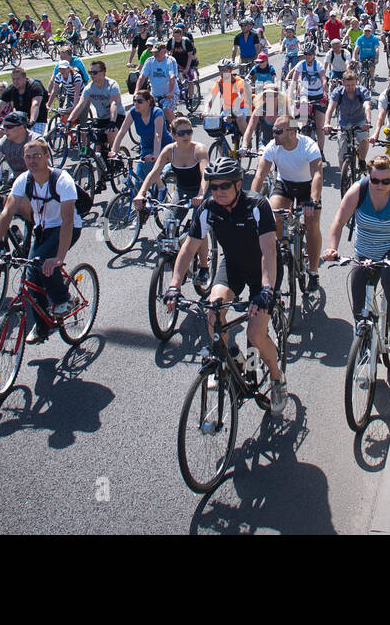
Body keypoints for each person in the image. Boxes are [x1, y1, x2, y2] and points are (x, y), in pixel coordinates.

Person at [164, 156, 286, 416]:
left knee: (255, 335)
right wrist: (174, 285)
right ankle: (235, 359)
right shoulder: (208, 207)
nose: (217, 192)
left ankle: (276, 378)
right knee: (213, 313)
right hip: (232, 266)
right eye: (213, 186)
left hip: (263, 272)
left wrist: (266, 290)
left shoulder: (257, 205)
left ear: (238, 184)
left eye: (223, 186)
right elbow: (189, 249)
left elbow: (269, 251)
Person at [0, 139, 82, 344]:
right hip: (42, 229)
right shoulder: (23, 181)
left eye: (37, 155)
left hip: (67, 227)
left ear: (47, 156)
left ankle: (64, 299)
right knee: (31, 279)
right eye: (28, 157)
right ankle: (42, 327)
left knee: (44, 263)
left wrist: (59, 258)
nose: (32, 161)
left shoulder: (62, 179)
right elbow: (6, 214)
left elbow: (67, 221)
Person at [322, 155, 390, 344]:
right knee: (359, 303)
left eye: (385, 181)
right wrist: (331, 249)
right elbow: (339, 221)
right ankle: (364, 342)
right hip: (365, 251)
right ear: (368, 176)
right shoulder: (359, 190)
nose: (379, 185)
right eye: (374, 180)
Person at [134, 117, 212, 287]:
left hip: (202, 192)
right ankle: (178, 259)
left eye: (189, 132)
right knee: (170, 223)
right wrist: (141, 193)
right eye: (181, 133)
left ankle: (204, 267)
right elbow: (155, 172)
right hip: (183, 191)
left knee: (200, 228)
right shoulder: (169, 150)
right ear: (173, 134)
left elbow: (205, 174)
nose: (186, 136)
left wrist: (200, 195)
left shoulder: (199, 149)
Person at [250, 115, 324, 293]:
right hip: (285, 184)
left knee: (311, 223)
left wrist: (313, 201)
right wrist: (251, 199)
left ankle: (313, 271)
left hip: (307, 187)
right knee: (274, 214)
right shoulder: (273, 146)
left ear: (292, 132)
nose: (273, 134)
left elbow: (317, 175)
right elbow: (260, 175)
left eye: (278, 131)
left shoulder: (308, 146)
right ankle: (283, 247)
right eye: (273, 130)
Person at [111, 90, 172, 190]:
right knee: (138, 185)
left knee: (150, 170)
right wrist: (114, 150)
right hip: (146, 149)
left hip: (163, 147)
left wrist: (155, 156)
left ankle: (162, 189)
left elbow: (157, 136)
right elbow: (122, 131)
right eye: (134, 101)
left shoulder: (157, 112)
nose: (136, 104)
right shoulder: (133, 112)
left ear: (148, 102)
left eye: (139, 101)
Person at [324, 70, 374, 169]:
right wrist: (327, 123)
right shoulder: (338, 92)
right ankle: (344, 175)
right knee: (342, 150)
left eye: (352, 85)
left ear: (356, 82)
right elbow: (330, 108)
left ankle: (362, 160)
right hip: (344, 122)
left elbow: (367, 106)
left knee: (364, 137)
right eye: (347, 85)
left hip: (360, 120)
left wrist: (368, 122)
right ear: (343, 83)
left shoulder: (362, 91)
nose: (350, 87)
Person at [286, 45, 329, 155]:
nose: (307, 56)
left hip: (318, 96)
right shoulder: (301, 64)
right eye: (305, 54)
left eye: (310, 54)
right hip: (305, 95)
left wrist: (325, 94)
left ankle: (321, 151)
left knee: (320, 126)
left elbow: (324, 80)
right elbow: (294, 81)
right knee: (299, 120)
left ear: (314, 55)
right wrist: (290, 96)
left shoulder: (318, 65)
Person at [0, 67, 50, 135]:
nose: (15, 81)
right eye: (13, 79)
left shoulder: (35, 87)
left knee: (34, 142)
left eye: (18, 79)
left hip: (38, 119)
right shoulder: (11, 89)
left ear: (25, 78)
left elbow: (35, 105)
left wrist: (32, 121)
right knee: (3, 135)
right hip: (20, 119)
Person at [205, 58, 249, 142]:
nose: (222, 72)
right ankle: (223, 150)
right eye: (220, 69)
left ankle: (246, 141)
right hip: (227, 109)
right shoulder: (219, 83)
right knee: (215, 127)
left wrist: (232, 114)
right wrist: (206, 112)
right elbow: (210, 101)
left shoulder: (239, 81)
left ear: (230, 70)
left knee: (240, 119)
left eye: (224, 69)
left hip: (241, 107)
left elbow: (239, 97)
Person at [136, 40, 179, 126]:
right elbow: (142, 77)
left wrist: (170, 92)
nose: (155, 55)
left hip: (170, 94)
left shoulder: (170, 61)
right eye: (154, 52)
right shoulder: (149, 61)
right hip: (155, 95)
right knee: (146, 108)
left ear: (164, 51)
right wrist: (136, 91)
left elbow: (172, 77)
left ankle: (176, 130)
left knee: (166, 109)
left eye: (157, 52)